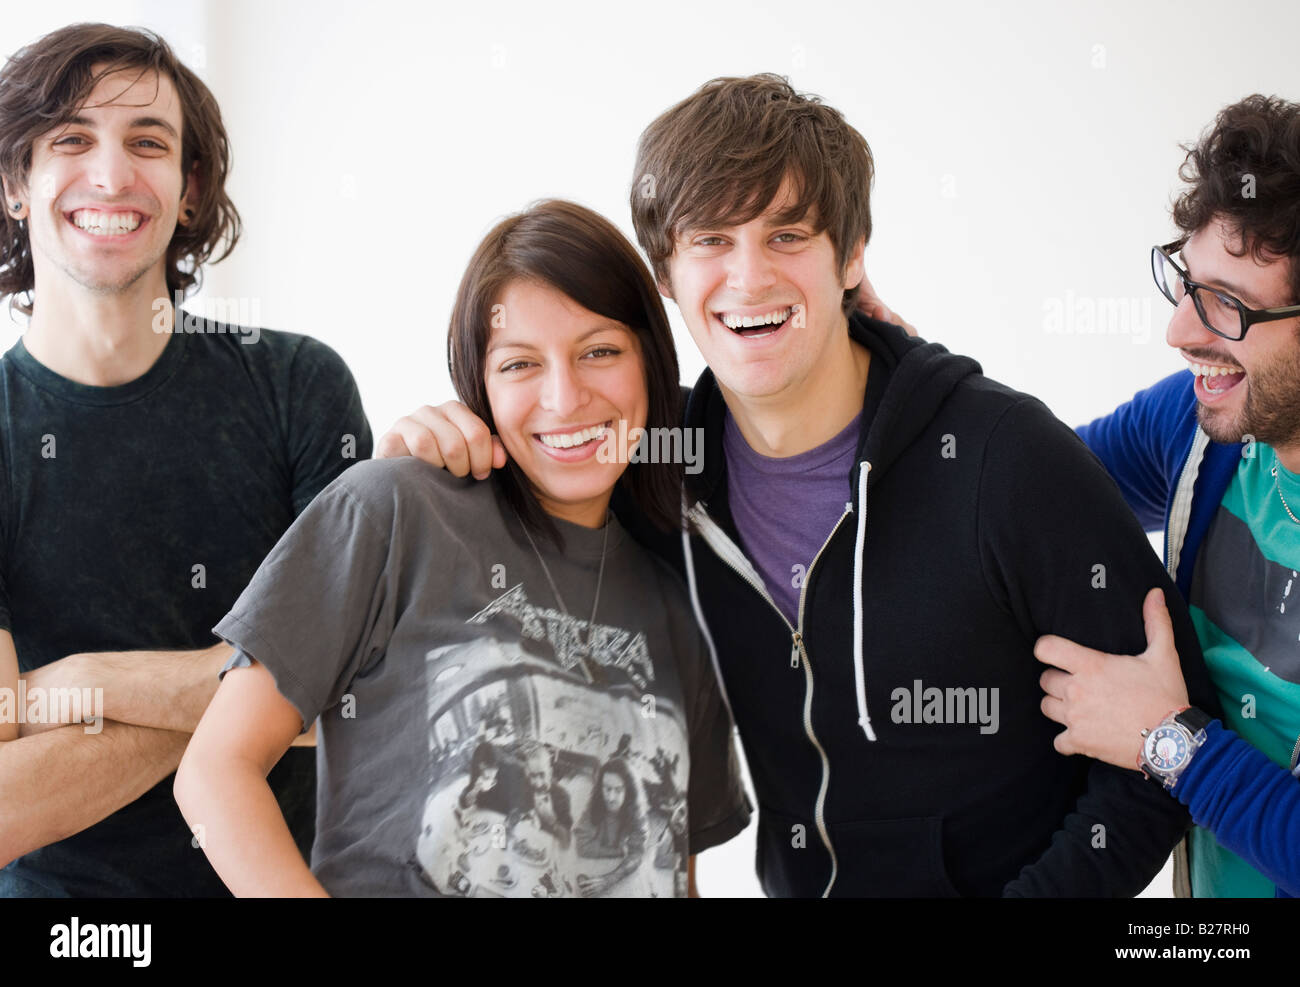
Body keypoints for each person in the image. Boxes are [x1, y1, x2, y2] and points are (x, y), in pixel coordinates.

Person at [377, 74, 1221, 897]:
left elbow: (1167, 751)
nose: (749, 278)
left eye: (787, 236)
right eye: (711, 239)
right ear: (665, 273)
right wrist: (436, 437)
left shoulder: (1003, 457)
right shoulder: (653, 464)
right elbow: (542, 429)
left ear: (850, 257)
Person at [173, 199, 750, 898]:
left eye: (599, 350)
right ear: (478, 381)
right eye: (520, 364)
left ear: (651, 365)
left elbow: (669, 870)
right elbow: (214, 771)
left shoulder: (684, 597)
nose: (564, 399)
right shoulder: (393, 510)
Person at [0, 23, 370, 896]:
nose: (111, 174)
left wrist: (79, 684)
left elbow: (355, 690)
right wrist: (262, 699)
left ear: (191, 187)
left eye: (149, 143)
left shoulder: (298, 386)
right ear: (17, 183)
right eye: (71, 139)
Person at [1036, 94, 1300, 899]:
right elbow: (1026, 485)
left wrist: (1166, 741)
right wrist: (893, 362)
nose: (1180, 330)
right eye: (1187, 282)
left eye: (1227, 302)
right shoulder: (1198, 427)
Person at [573, 756, 647, 897]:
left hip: (620, 873)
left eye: (618, 790)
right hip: (595, 866)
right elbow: (582, 846)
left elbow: (637, 853)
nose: (611, 797)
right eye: (607, 789)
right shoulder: (594, 803)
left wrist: (609, 880)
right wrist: (620, 851)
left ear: (629, 791)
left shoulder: (637, 811)